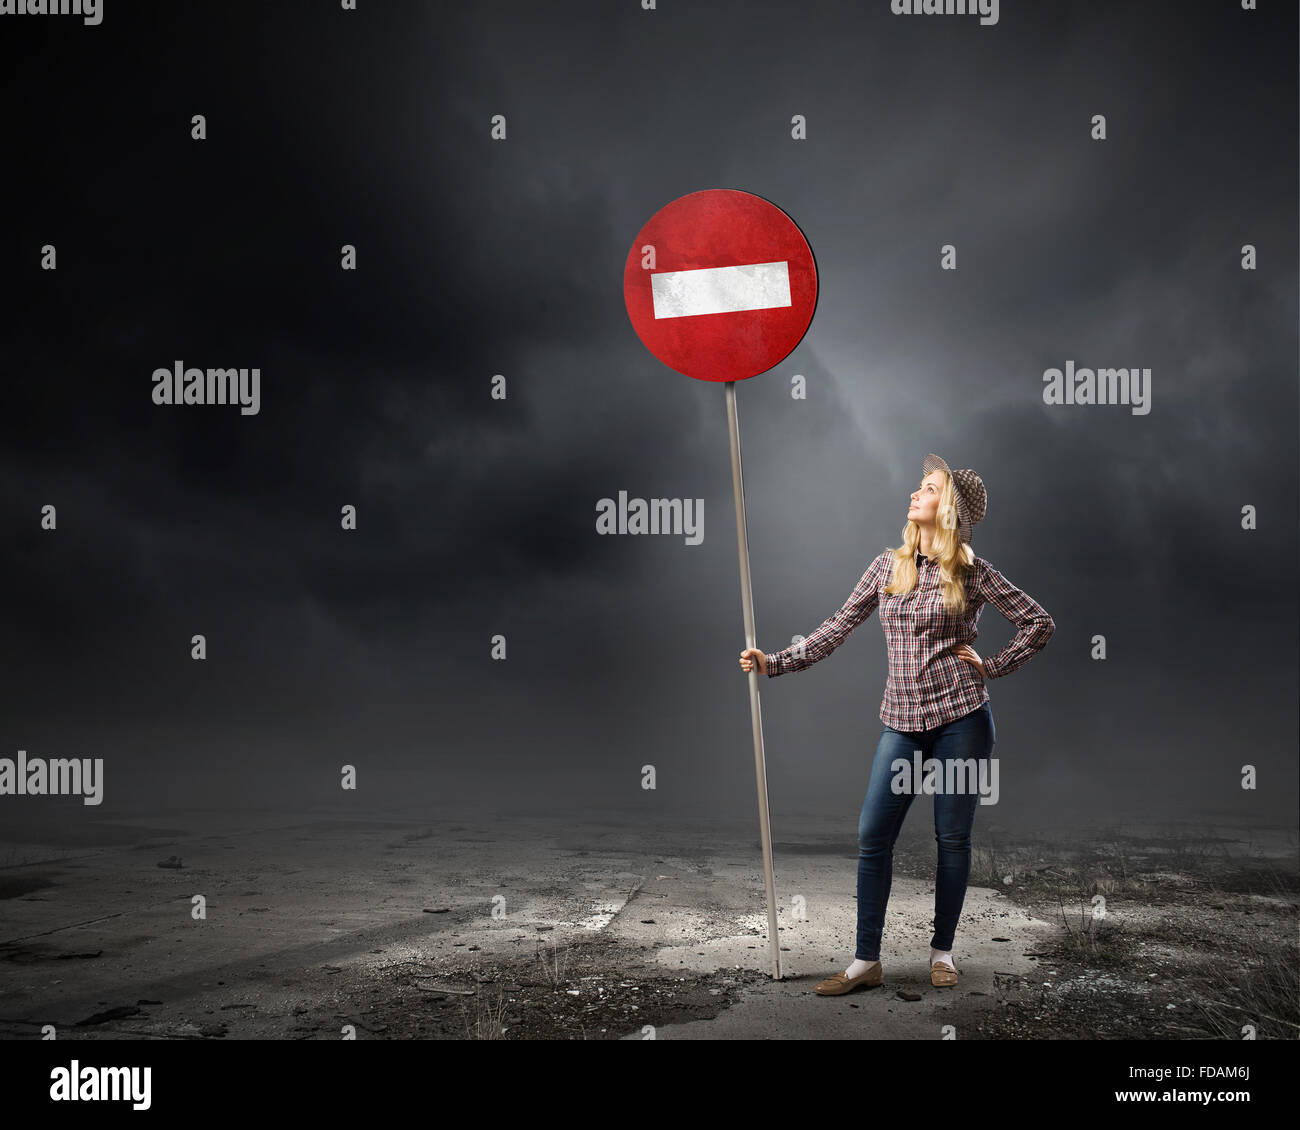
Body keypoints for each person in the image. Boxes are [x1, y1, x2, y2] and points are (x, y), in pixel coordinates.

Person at [738, 453, 1054, 993]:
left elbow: (1038, 622)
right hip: (902, 722)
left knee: (951, 838)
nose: (914, 493)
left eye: (928, 488)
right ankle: (866, 962)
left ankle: (943, 953)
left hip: (962, 721)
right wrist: (775, 662)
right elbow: (835, 628)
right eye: (919, 485)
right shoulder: (888, 567)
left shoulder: (972, 573)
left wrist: (992, 666)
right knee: (872, 835)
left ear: (949, 508)